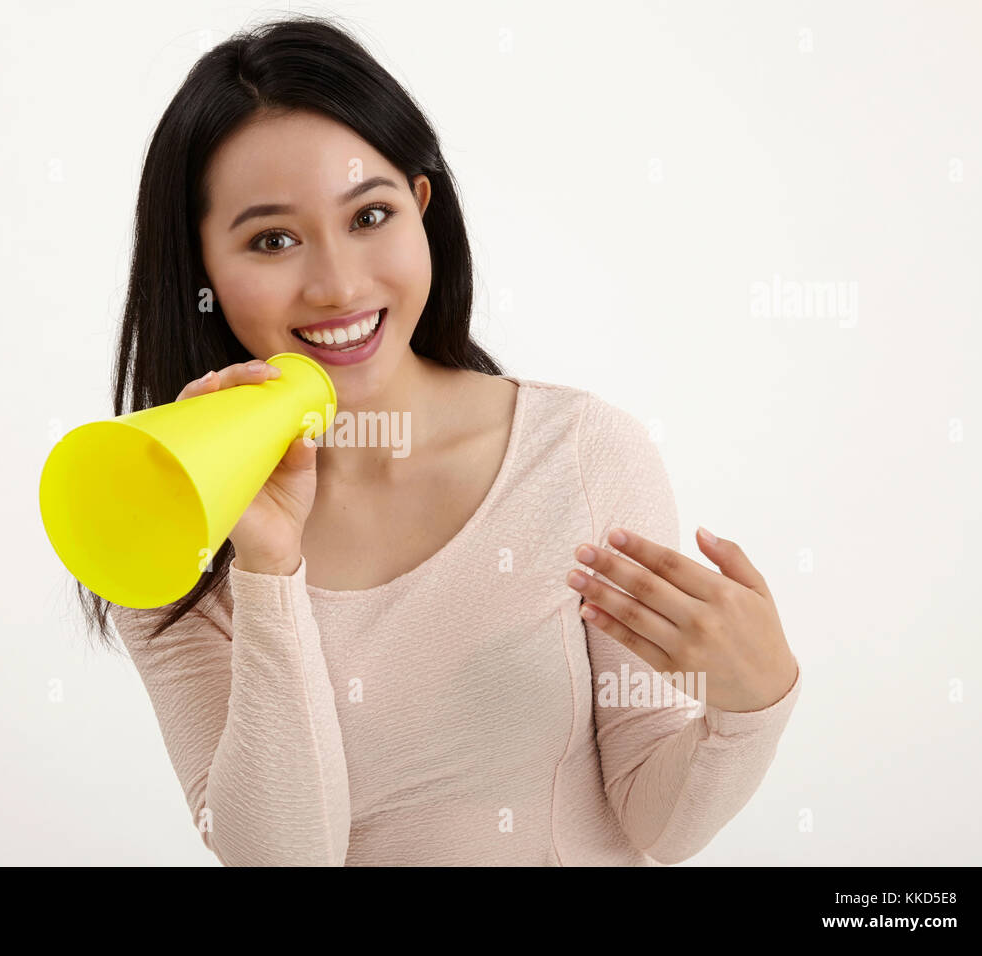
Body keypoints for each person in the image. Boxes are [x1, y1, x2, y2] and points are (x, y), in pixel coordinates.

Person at [79, 15, 802, 866]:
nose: (339, 284)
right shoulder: (157, 518)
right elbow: (281, 857)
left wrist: (753, 707)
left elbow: (655, 820)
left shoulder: (579, 454)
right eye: (272, 239)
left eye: (370, 215)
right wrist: (270, 570)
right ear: (199, 268)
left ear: (421, 209)